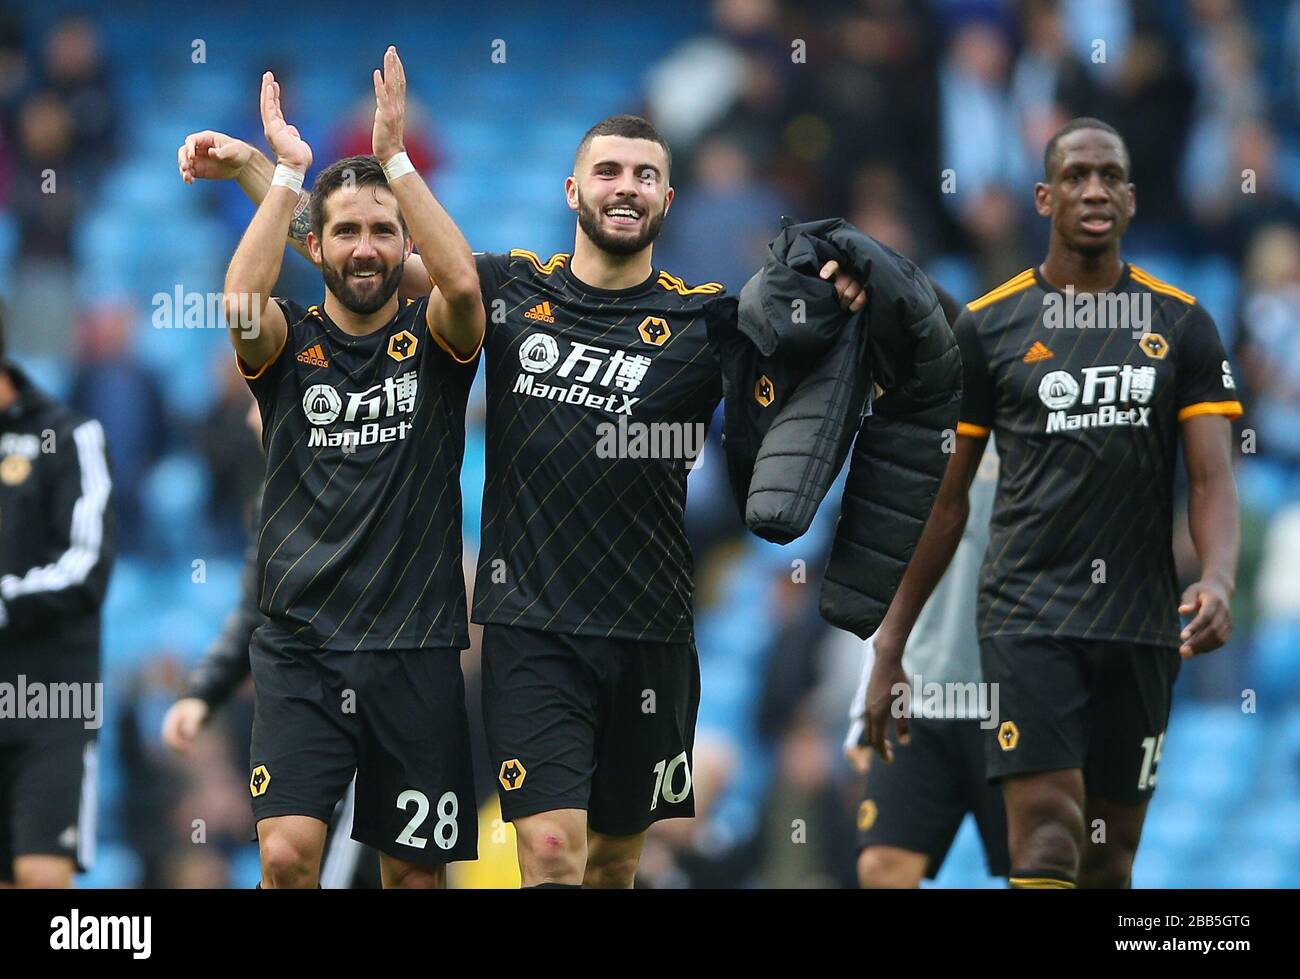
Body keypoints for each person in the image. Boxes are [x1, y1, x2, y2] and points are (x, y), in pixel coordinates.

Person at [181, 97, 869, 889]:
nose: (625, 186)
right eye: (606, 171)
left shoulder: (705, 319)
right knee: (548, 855)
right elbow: (351, 252)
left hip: (650, 631)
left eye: (645, 175)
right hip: (530, 629)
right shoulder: (509, 292)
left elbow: (807, 369)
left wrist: (837, 292)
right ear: (571, 193)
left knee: (613, 865)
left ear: (667, 200)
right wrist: (261, 174)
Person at [862, 118, 1242, 889]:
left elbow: (1210, 479)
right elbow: (947, 503)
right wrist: (889, 644)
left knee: (1109, 859)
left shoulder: (1183, 325)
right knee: (1047, 836)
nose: (1094, 189)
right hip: (1028, 618)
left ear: (1132, 198)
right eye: (1075, 176)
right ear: (1044, 196)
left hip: (1139, 623)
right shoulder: (991, 326)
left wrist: (1221, 577)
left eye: (1110, 176)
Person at [209, 51, 481, 888]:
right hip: (300, 648)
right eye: (347, 233)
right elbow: (241, 306)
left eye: (381, 231)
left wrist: (394, 158)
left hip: (419, 647)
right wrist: (285, 172)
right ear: (316, 248)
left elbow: (464, 282)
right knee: (288, 855)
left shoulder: (437, 342)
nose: (364, 249)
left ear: (403, 244)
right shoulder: (288, 342)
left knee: (410, 874)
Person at [845, 440, 1008, 887]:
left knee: (1042, 866)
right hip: (917, 693)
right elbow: (884, 573)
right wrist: (864, 706)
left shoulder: (1033, 405)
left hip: (1018, 691)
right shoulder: (916, 422)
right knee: (881, 867)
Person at [0, 302, 115, 887]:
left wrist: (5, 601)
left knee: (40, 877)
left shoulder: (68, 436)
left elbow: (86, 565)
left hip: (51, 708)